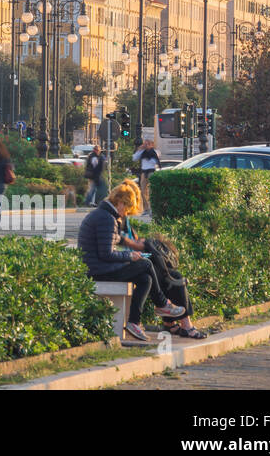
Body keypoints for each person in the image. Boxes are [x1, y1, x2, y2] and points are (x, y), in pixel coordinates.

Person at [76, 179, 186, 342]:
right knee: (146, 264)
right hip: (97, 269)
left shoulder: (104, 215)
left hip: (99, 266)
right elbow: (106, 254)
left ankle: (134, 322)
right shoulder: (107, 219)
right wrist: (130, 256)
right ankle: (162, 304)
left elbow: (110, 242)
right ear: (120, 202)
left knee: (145, 278)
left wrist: (129, 246)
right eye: (127, 208)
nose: (126, 213)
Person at [112, 179, 207, 339]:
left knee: (174, 276)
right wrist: (137, 246)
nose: (129, 210)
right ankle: (182, 324)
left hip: (134, 261)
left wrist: (142, 243)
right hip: (127, 264)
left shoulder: (125, 221)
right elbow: (119, 246)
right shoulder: (113, 220)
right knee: (171, 277)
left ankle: (174, 323)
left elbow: (133, 241)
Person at [133, 139, 160, 213]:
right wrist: (140, 150)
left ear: (151, 144)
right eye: (145, 144)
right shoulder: (142, 152)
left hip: (151, 171)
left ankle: (152, 207)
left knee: (151, 190)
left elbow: (155, 161)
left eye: (148, 144)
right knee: (142, 191)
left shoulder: (154, 152)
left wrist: (148, 155)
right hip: (144, 172)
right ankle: (146, 207)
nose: (146, 145)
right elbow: (134, 158)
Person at [83, 141, 109, 206]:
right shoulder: (94, 157)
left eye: (98, 150)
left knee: (94, 189)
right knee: (98, 189)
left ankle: (92, 202)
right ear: (94, 150)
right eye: (96, 150)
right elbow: (95, 167)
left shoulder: (96, 156)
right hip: (94, 176)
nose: (97, 151)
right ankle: (91, 202)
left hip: (95, 176)